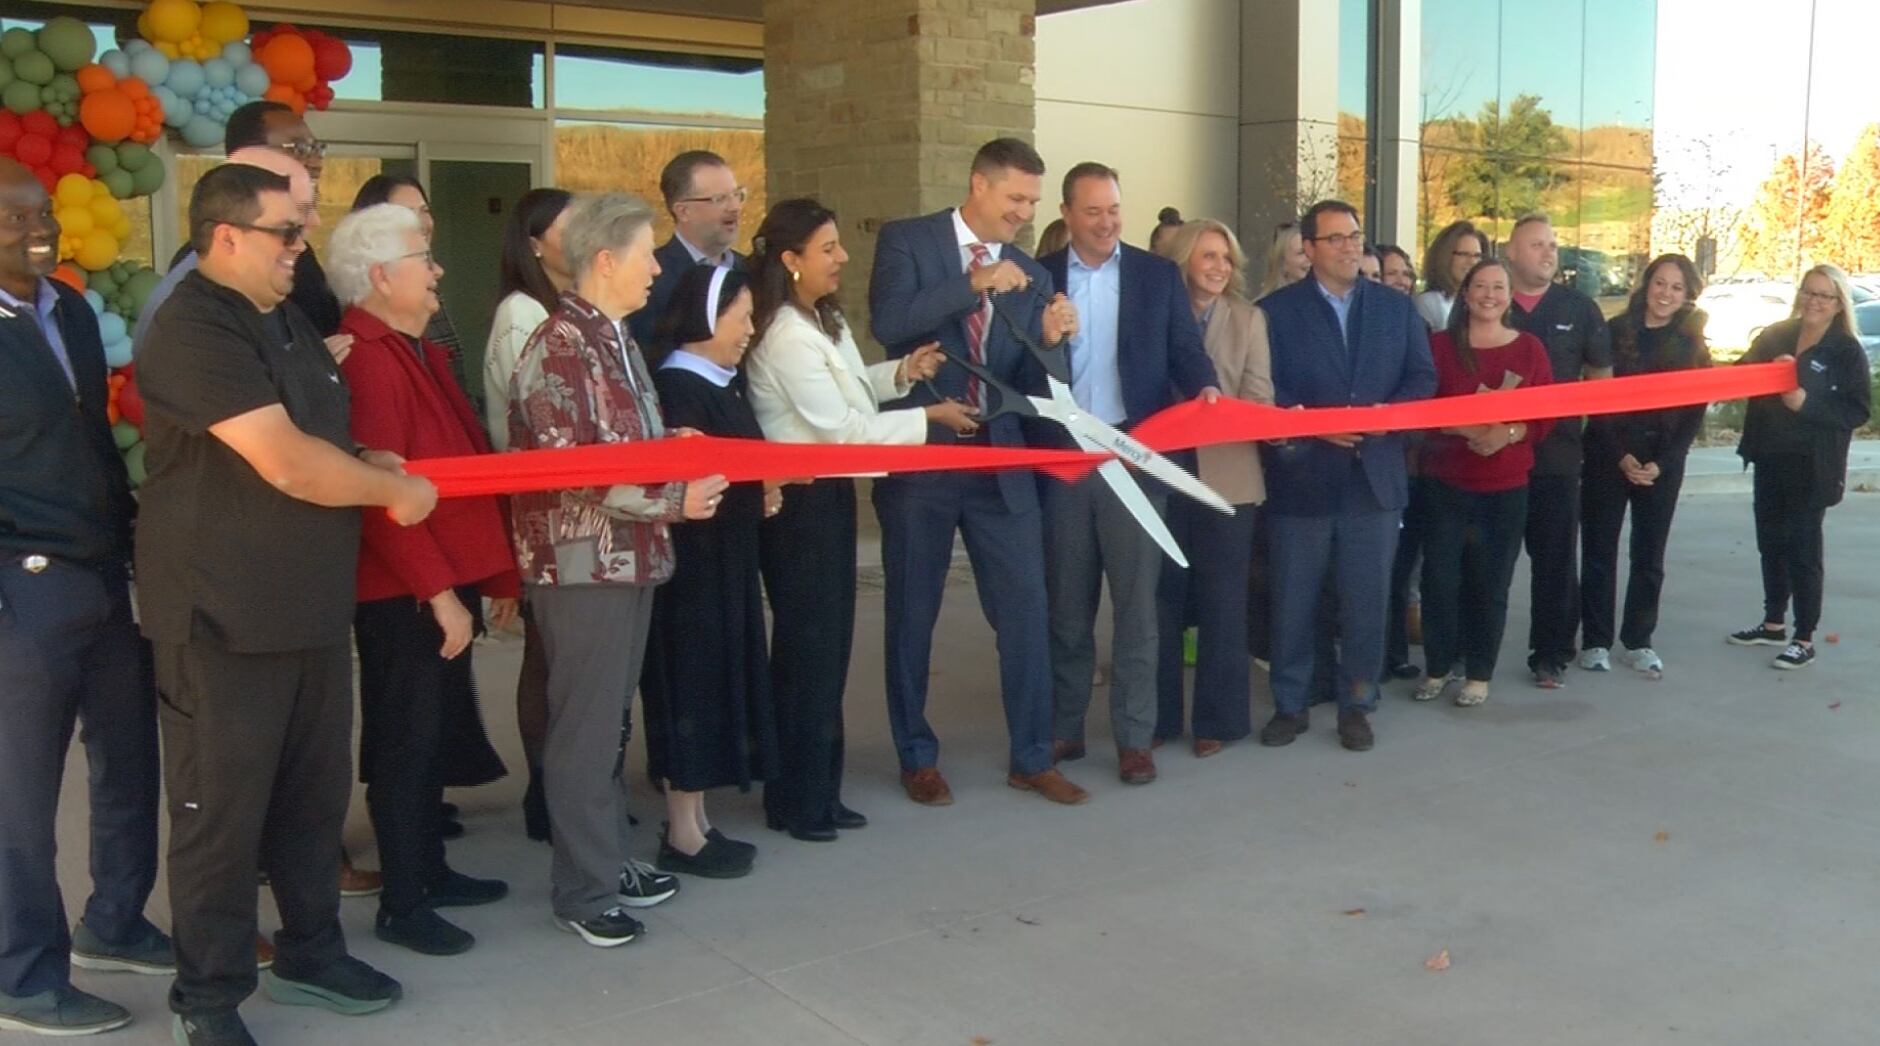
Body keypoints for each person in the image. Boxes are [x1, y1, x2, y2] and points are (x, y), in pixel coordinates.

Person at [137, 163, 438, 1045]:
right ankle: (210, 998)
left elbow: (321, 440)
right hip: (221, 618)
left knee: (312, 801)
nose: (302, 246)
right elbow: (286, 461)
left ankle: (313, 951)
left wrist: (372, 464)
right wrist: (392, 495)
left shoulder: (290, 322)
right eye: (287, 231)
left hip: (306, 608)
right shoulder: (193, 326)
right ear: (226, 236)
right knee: (220, 819)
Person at [506, 191, 722, 948]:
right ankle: (584, 889)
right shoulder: (560, 344)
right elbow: (577, 470)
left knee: (608, 727)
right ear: (606, 261)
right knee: (586, 732)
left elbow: (621, 440)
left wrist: (672, 440)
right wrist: (676, 494)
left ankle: (605, 859)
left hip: (626, 561)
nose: (657, 266)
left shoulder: (615, 339)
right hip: (582, 568)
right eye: (646, 253)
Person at [868, 136, 1088, 807]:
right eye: (1016, 197)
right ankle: (916, 756)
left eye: (1032, 201)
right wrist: (972, 284)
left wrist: (1050, 342)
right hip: (927, 452)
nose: (1025, 212)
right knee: (914, 613)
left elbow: (1031, 381)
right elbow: (890, 323)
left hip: (1001, 455)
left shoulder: (1032, 272)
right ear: (979, 185)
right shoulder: (910, 241)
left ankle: (1031, 755)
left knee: (1026, 610)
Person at [326, 204, 518, 956]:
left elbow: (463, 472)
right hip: (402, 590)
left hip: (440, 578)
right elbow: (381, 499)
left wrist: (488, 575)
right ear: (381, 276)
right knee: (406, 744)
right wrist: (439, 594)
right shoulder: (369, 358)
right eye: (424, 258)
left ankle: (429, 872)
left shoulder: (413, 348)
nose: (438, 272)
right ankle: (403, 901)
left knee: (431, 735)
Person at [744, 198, 968, 839]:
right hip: (801, 508)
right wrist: (928, 417)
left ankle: (822, 789)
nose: (842, 258)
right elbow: (841, 429)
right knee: (807, 654)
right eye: (827, 249)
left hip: (832, 498)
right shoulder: (784, 334)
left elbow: (852, 391)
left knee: (831, 651)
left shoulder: (821, 321)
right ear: (790, 261)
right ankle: (795, 799)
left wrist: (901, 373)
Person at [0, 157, 159, 1038]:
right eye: (17, 215)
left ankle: (118, 923)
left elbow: (92, 441)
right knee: (20, 799)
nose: (40, 226)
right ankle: (23, 975)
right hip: (23, 590)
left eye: (44, 211)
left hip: (102, 573)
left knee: (129, 762)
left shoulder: (69, 312)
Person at [1036, 163, 1217, 785]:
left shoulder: (1155, 275)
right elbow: (1014, 361)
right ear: (1067, 214)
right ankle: (1065, 729)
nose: (1108, 221)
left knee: (1138, 609)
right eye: (1093, 211)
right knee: (1067, 606)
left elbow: (1183, 350)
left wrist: (1206, 386)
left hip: (1134, 461)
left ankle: (1134, 738)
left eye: (1114, 208)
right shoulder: (1038, 279)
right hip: (1063, 461)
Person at [1256, 199, 1436, 752]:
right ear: (1308, 249)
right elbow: (1263, 389)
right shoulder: (1275, 312)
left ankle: (1357, 702)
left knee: (1365, 602)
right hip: (1302, 479)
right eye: (1334, 238)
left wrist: (1386, 420)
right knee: (1293, 599)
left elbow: (1421, 378)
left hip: (1373, 481)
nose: (1349, 246)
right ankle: (1291, 703)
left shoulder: (1394, 309)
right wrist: (1312, 426)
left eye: (1355, 235)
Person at [640, 266, 775, 876]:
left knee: (714, 686)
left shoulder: (719, 383)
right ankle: (681, 831)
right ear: (703, 317)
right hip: (692, 573)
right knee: (688, 693)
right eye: (739, 316)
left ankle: (697, 821)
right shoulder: (678, 385)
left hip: (726, 563)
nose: (749, 330)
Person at [1153, 218, 1271, 757]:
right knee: (1160, 600)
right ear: (1182, 261)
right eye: (1208, 256)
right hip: (1158, 472)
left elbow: (1260, 398)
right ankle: (1156, 718)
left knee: (1223, 603)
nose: (1220, 267)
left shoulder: (1249, 320)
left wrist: (1217, 410)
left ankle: (1217, 722)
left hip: (1228, 478)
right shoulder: (1152, 314)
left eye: (1227, 258)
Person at [1413, 260, 1555, 707]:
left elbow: (1547, 414)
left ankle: (1479, 672)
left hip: (1505, 486)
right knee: (1439, 580)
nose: (1489, 294)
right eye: (1480, 286)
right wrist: (1463, 429)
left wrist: (1507, 433)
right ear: (1466, 293)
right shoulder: (1438, 347)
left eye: (1498, 286)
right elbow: (1419, 409)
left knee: (1490, 583)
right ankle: (1437, 666)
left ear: (1510, 296)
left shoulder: (1530, 349)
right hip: (1445, 484)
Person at [482, 186, 573, 843]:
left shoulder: (565, 306)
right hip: (544, 511)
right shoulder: (523, 312)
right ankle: (547, 794)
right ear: (535, 242)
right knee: (547, 658)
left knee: (566, 660)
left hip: (572, 510)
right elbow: (539, 419)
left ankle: (567, 789)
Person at [1727, 264, 1870, 670]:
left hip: (1813, 465)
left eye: (1824, 295)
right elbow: (1739, 375)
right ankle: (1773, 622)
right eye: (1809, 291)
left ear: (1838, 302)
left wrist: (1805, 402)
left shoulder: (1845, 349)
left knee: (1802, 549)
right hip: (1769, 453)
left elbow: (1857, 409)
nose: (1814, 301)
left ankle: (1804, 636)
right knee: (1770, 541)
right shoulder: (1776, 334)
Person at [1579, 255, 1711, 676]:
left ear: (1687, 294)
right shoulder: (1615, 332)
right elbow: (1596, 400)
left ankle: (1638, 639)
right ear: (1646, 284)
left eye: (1676, 287)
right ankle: (1595, 641)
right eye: (1660, 283)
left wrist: (1663, 462)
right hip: (1608, 454)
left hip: (1662, 462)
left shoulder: (1693, 345)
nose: (1666, 294)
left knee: (1649, 555)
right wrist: (1620, 454)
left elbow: (1694, 413)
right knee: (1599, 550)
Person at [1503, 214, 1612, 688]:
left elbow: (1601, 384)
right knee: (1487, 560)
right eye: (1536, 245)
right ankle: (1471, 651)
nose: (1548, 253)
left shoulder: (1579, 308)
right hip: (1493, 459)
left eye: (1552, 245)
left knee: (1554, 562)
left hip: (1557, 460)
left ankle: (1549, 653)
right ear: (1511, 252)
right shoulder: (1489, 301)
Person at [349, 175, 473, 403]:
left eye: (424, 210)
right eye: (406, 213)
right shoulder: (370, 308)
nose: (422, 222)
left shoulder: (425, 286)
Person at [629, 150, 747, 358]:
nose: (735, 207)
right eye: (720, 199)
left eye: (738, 195)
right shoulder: (651, 280)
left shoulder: (751, 269)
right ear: (683, 211)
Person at [1414, 220, 1487, 331]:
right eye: (1464, 254)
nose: (1472, 262)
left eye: (1477, 256)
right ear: (1444, 256)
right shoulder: (1430, 302)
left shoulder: (1485, 302)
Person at [1256, 220, 1309, 298]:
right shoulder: (1266, 307)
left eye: (1315, 251)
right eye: (1301, 253)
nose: (1311, 257)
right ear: (1282, 262)